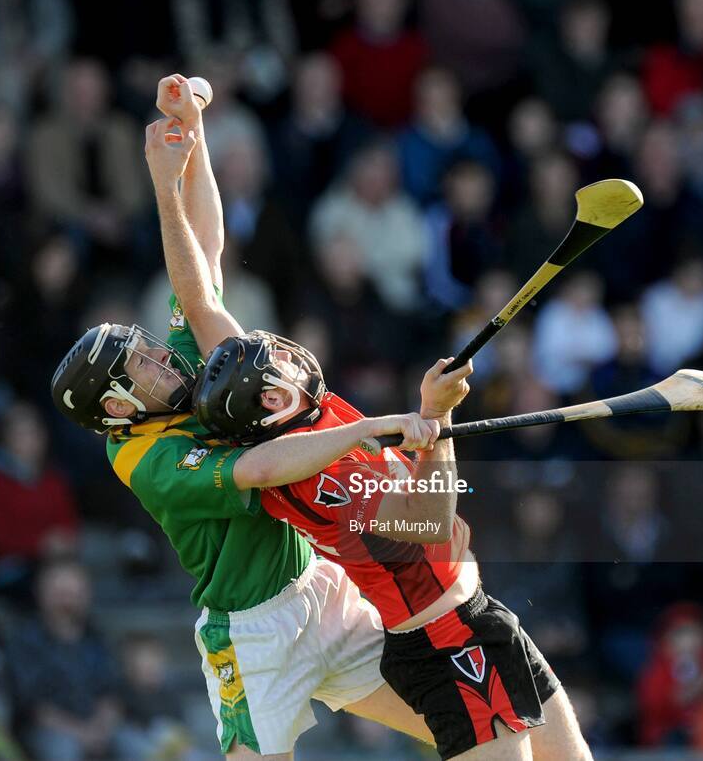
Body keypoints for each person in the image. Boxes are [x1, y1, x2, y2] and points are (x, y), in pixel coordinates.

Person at [159, 79, 591, 759]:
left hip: (486, 620)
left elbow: (199, 278)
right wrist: (436, 421)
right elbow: (428, 524)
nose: (283, 352)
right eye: (275, 360)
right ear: (273, 401)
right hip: (444, 645)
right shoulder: (309, 476)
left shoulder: (297, 407)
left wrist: (191, 140)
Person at [51, 75, 442, 759]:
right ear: (118, 405)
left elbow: (203, 258)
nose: (161, 356)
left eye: (149, 345)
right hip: (251, 633)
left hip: (320, 585)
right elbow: (259, 467)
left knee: (452, 718)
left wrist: (191, 137)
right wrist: (363, 427)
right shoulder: (142, 457)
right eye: (141, 361)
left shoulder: (174, 375)